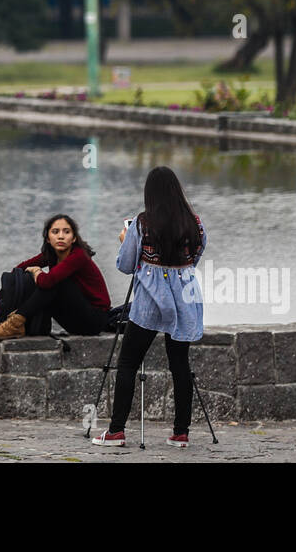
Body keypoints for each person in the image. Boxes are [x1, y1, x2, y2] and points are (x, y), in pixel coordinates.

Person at [92, 166, 206, 449]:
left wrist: (124, 240)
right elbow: (195, 258)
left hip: (150, 303)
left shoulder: (142, 224)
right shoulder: (194, 223)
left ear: (150, 193)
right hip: (185, 300)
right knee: (180, 365)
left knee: (128, 362)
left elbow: (125, 265)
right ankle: (181, 433)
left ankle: (116, 431)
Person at [0, 214, 112, 340]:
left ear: (73, 238)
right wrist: (1, 295)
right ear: (48, 238)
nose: (61, 236)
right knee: (28, 278)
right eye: (55, 232)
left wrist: (37, 272)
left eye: (66, 232)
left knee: (54, 282)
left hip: (93, 320)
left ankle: (14, 323)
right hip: (72, 318)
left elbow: (47, 282)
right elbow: (18, 270)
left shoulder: (78, 256)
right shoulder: (51, 255)